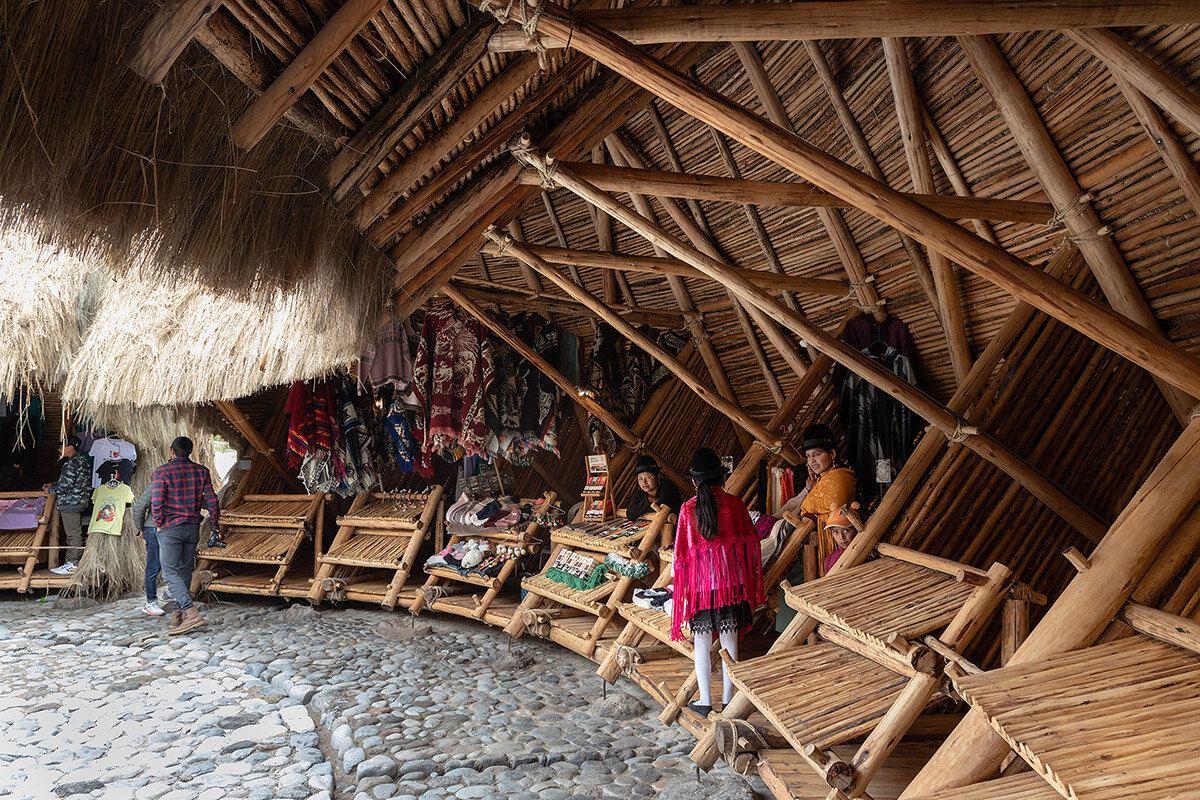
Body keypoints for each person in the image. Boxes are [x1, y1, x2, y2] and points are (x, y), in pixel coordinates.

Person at [671, 447, 763, 718]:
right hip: (732, 585)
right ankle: (728, 699)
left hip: (702, 590)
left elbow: (681, 555)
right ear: (721, 478)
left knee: (701, 642)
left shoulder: (688, 510)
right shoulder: (735, 504)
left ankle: (704, 701)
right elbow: (751, 543)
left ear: (694, 481)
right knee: (729, 641)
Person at [777, 424, 856, 631]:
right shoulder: (820, 481)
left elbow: (834, 502)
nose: (812, 461)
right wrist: (811, 491)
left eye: (817, 454)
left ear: (832, 453)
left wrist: (811, 503)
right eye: (809, 456)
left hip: (836, 545)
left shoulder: (840, 477)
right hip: (820, 546)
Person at [151, 436, 220, 635]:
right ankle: (177, 617)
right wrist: (214, 525)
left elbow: (156, 502)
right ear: (190, 451)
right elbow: (213, 501)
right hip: (192, 527)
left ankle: (191, 614)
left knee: (170, 573)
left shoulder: (162, 471)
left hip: (170, 528)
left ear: (171, 450)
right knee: (184, 572)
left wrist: (160, 523)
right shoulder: (202, 471)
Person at [44, 435, 91, 575]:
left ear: (70, 447)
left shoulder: (70, 463)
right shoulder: (82, 461)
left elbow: (66, 485)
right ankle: (72, 562)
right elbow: (72, 482)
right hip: (79, 501)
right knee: (75, 532)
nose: (59, 449)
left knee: (73, 533)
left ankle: (73, 564)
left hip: (71, 503)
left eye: (62, 446)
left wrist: (50, 490)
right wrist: (53, 484)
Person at [130, 484, 163, 616]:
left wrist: (141, 528)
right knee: (167, 565)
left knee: (153, 566)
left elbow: (139, 507)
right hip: (169, 528)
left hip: (154, 527)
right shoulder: (182, 482)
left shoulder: (157, 483)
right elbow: (139, 508)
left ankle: (152, 602)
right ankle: (152, 601)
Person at [624, 455, 683, 520]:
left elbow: (662, 509)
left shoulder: (668, 487)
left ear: (658, 477)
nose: (644, 482)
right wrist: (649, 500)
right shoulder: (639, 493)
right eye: (640, 478)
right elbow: (630, 515)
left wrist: (640, 509)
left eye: (648, 477)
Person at [823, 505, 857, 574]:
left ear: (856, 529)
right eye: (836, 532)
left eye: (846, 530)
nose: (841, 537)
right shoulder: (830, 559)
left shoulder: (867, 555)